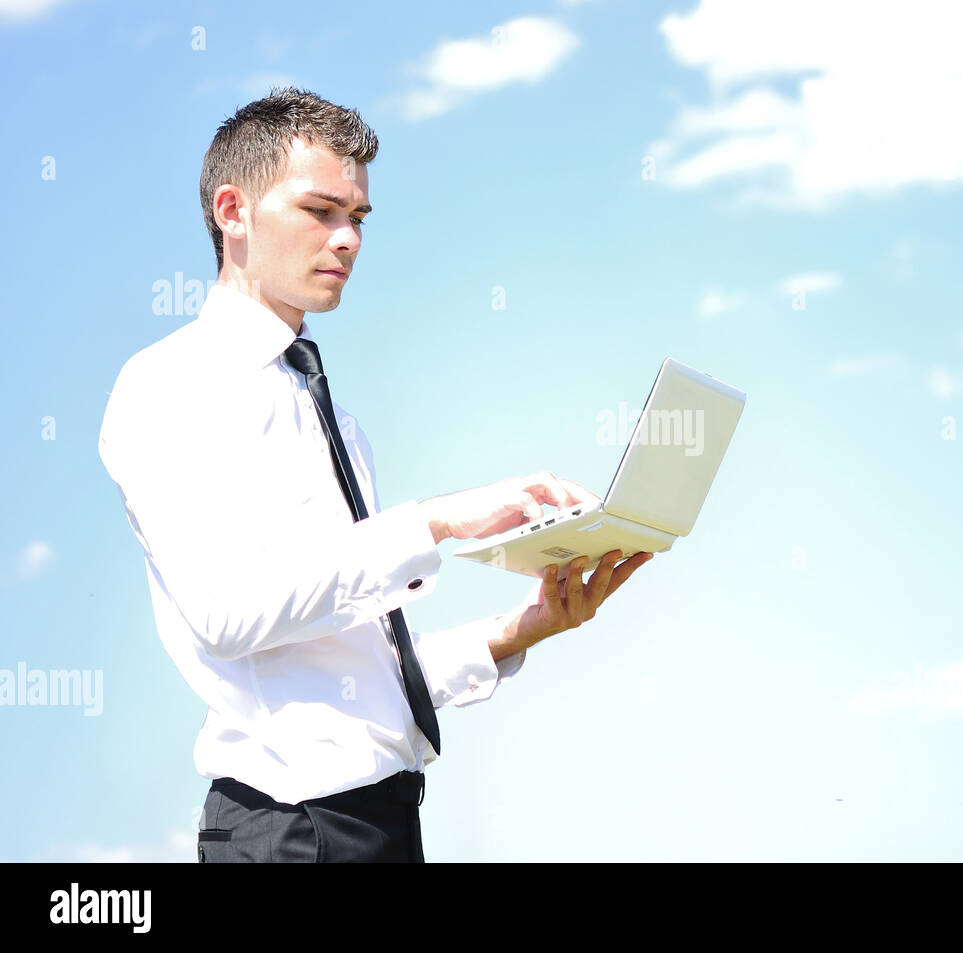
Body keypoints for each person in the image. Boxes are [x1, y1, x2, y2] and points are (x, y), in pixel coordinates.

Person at [97, 86, 653, 863]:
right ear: (233, 211)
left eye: (357, 216)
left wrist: (520, 630)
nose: (348, 238)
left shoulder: (324, 410)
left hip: (377, 823)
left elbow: (353, 673)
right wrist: (437, 521)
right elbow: (226, 615)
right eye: (321, 211)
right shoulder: (170, 385)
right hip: (291, 834)